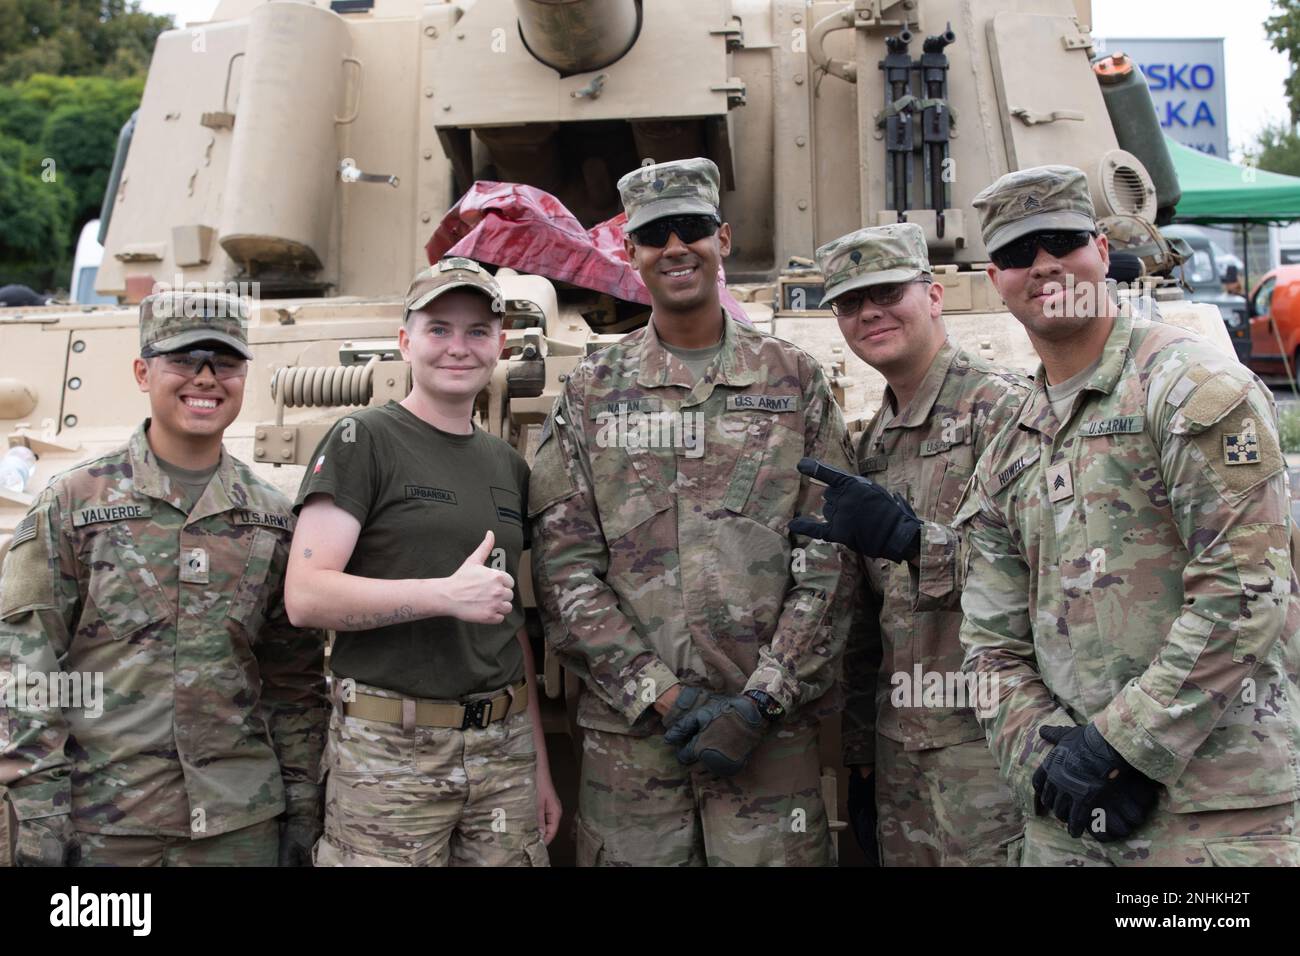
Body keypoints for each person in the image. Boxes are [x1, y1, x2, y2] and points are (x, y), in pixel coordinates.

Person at [960, 164, 1300, 865]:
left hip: (1211, 811)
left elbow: (1245, 590)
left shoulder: (1192, 389)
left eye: (1063, 241)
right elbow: (990, 641)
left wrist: (1123, 747)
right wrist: (1048, 763)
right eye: (1020, 252)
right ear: (995, 278)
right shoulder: (1010, 441)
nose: (1045, 265)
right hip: (1069, 817)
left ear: (1102, 252)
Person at [529, 157, 855, 866]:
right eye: (655, 234)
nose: (676, 247)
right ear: (630, 251)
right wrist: (665, 698)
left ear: (723, 239)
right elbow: (565, 569)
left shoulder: (793, 380)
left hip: (771, 739)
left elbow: (830, 558)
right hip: (634, 744)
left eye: (693, 229)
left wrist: (763, 700)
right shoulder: (592, 391)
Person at [0, 291, 327, 867]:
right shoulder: (72, 505)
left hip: (239, 825)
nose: (205, 379)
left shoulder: (273, 517)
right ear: (142, 370)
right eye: (183, 360)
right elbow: (27, 670)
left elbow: (292, 682)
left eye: (224, 363)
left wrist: (302, 806)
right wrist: (39, 816)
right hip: (104, 823)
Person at [287, 256, 560, 867]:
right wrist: (442, 595)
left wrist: (537, 763)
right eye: (438, 329)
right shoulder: (364, 439)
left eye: (477, 331)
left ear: (500, 345)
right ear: (405, 341)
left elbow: (507, 625)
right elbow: (306, 596)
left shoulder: (508, 467)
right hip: (392, 752)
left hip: (502, 751)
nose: (457, 348)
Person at [792, 223, 1029, 866]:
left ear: (933, 295)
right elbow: (870, 622)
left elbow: (1051, 573)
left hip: (994, 743)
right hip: (904, 753)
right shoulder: (872, 444)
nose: (869, 311)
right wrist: (862, 756)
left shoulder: (1004, 413)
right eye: (848, 302)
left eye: (887, 290)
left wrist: (916, 543)